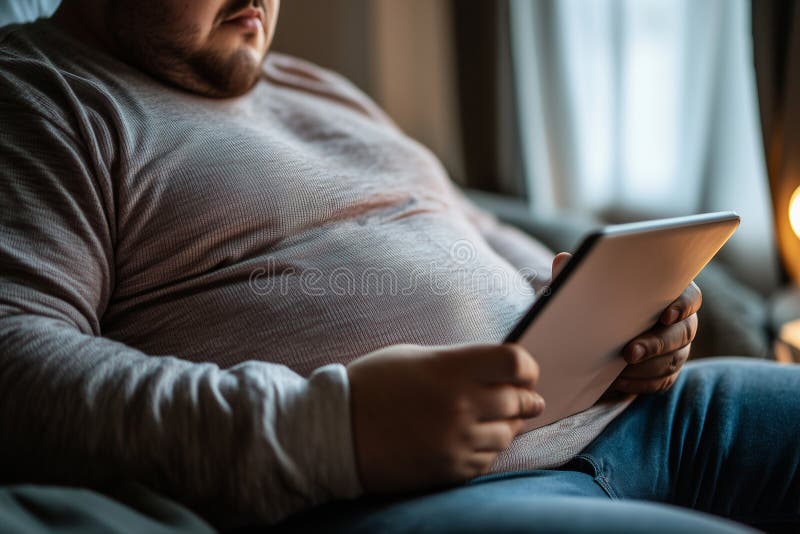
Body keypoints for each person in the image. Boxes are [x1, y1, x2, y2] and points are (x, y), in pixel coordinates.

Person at [0, 0, 796, 532]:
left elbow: (476, 232)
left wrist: (626, 324)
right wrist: (335, 431)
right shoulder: (42, 97)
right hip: (416, 498)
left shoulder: (317, 85)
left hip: (642, 418)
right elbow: (18, 365)